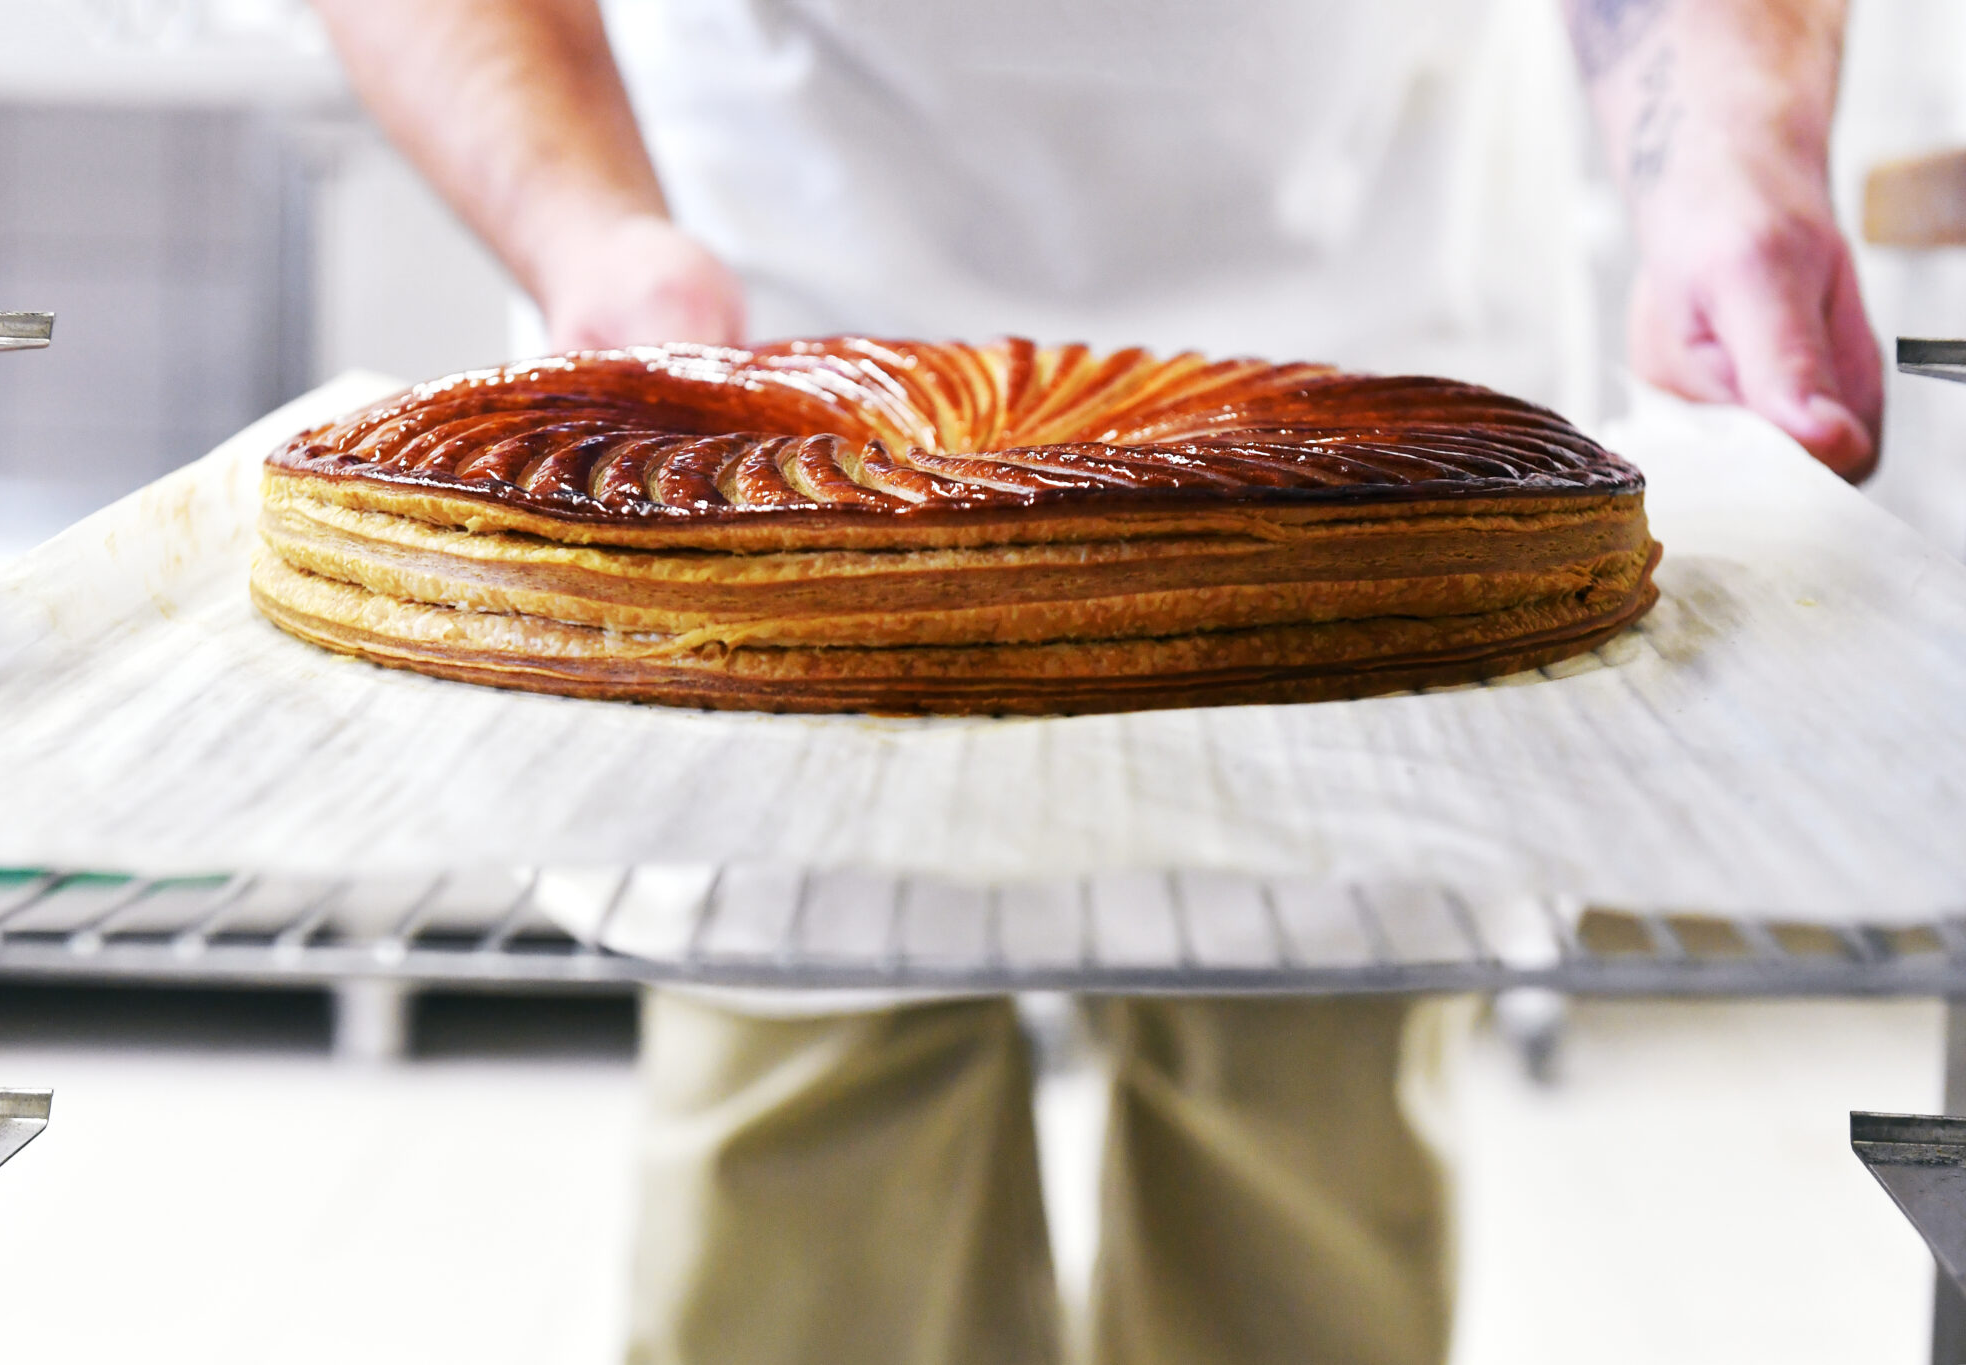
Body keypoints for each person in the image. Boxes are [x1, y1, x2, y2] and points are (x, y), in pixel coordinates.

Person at [309, 3, 1884, 1362]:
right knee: (807, 1205)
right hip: (775, 352)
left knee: (1302, 1195)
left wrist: (1724, 162)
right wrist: (589, 233)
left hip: (1372, 389)